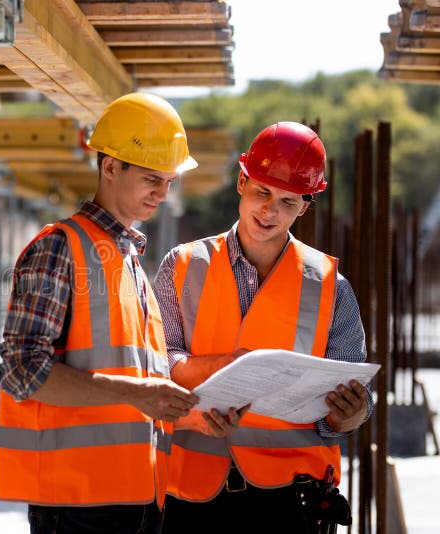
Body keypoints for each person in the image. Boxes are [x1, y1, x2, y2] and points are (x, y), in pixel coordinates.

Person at [0, 92, 200, 534]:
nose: (162, 194)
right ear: (110, 167)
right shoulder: (60, 249)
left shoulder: (130, 261)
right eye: (151, 178)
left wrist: (193, 408)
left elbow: (138, 383)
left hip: (140, 498)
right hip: (78, 506)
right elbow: (20, 370)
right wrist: (133, 393)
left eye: (169, 181)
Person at [153, 121, 372, 533]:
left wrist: (352, 414)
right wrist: (219, 372)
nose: (270, 211)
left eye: (288, 202)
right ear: (242, 181)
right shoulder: (181, 266)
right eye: (262, 192)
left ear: (305, 205)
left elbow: (347, 400)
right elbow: (157, 361)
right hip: (191, 493)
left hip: (292, 501)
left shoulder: (330, 287)